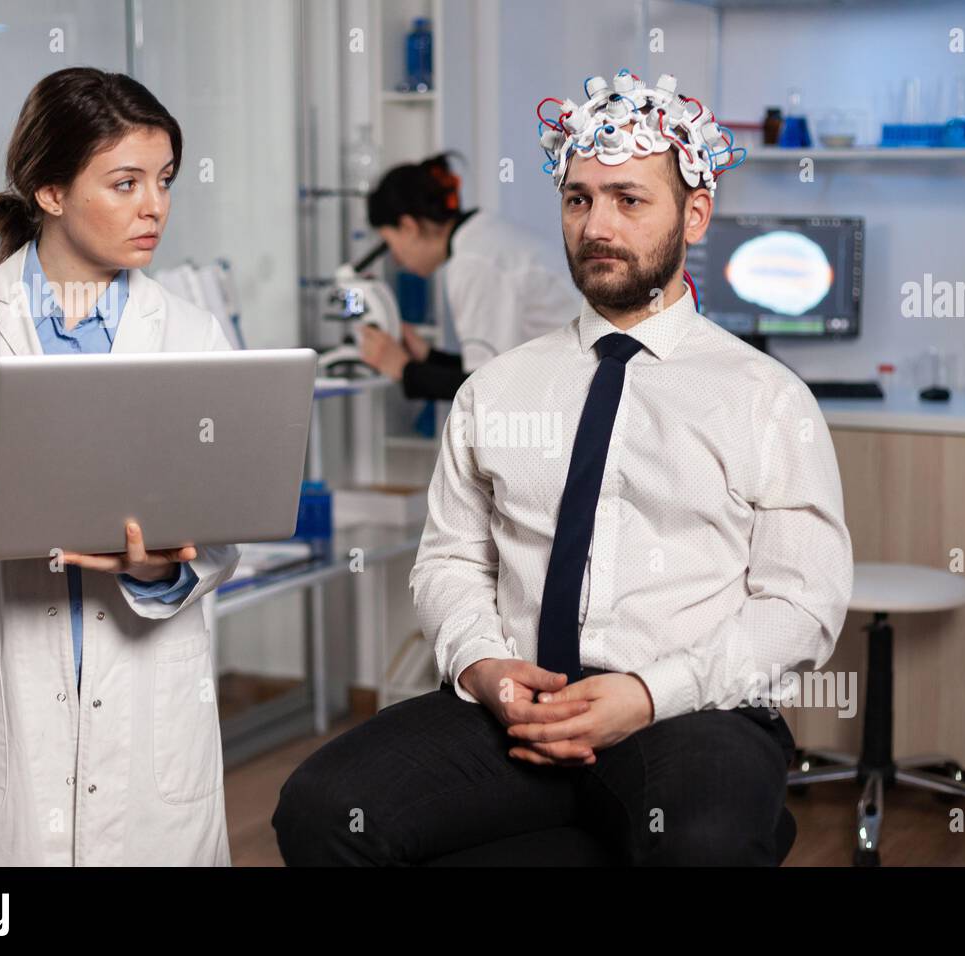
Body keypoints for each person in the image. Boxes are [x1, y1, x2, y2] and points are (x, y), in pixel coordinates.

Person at [272, 71, 853, 865]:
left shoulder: (766, 398)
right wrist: (484, 670)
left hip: (689, 707)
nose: (597, 224)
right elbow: (449, 560)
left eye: (629, 199)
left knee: (705, 843)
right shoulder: (496, 388)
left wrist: (650, 693)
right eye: (579, 199)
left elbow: (801, 603)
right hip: (515, 702)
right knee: (323, 810)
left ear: (696, 213)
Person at [0, 67, 240, 866]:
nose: (155, 206)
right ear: (51, 191)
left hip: (149, 709)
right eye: (126, 181)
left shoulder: (194, 334)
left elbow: (225, 529)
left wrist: (159, 570)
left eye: (164, 180)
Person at [356, 152, 580, 399]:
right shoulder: (483, 236)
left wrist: (401, 368)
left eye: (390, 243)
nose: (396, 260)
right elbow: (491, 370)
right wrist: (427, 356)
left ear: (408, 227)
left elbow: (487, 393)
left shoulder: (473, 263)